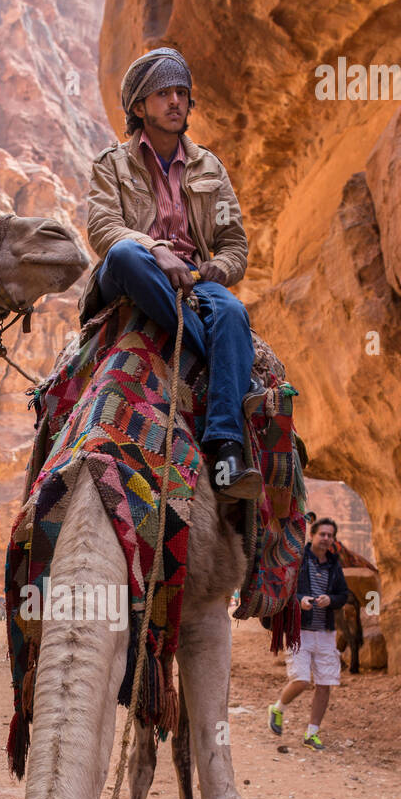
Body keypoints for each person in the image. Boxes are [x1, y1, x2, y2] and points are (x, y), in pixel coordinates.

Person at [80, 46, 261, 501]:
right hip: (137, 271)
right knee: (123, 254)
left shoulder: (209, 167)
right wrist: (157, 249)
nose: (176, 101)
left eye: (182, 92)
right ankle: (226, 363)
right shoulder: (112, 164)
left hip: (195, 280)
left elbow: (234, 243)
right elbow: (104, 229)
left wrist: (216, 268)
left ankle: (225, 446)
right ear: (139, 107)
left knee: (234, 311)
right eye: (164, 93)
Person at [267, 517, 349, 750]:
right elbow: (282, 590)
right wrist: (300, 600)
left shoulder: (334, 564)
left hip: (325, 633)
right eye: (322, 534)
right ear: (312, 535)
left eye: (330, 535)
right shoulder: (297, 560)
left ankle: (312, 733)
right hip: (299, 631)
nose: (326, 539)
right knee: (302, 681)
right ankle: (277, 708)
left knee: (325, 683)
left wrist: (330, 600)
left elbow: (344, 595)